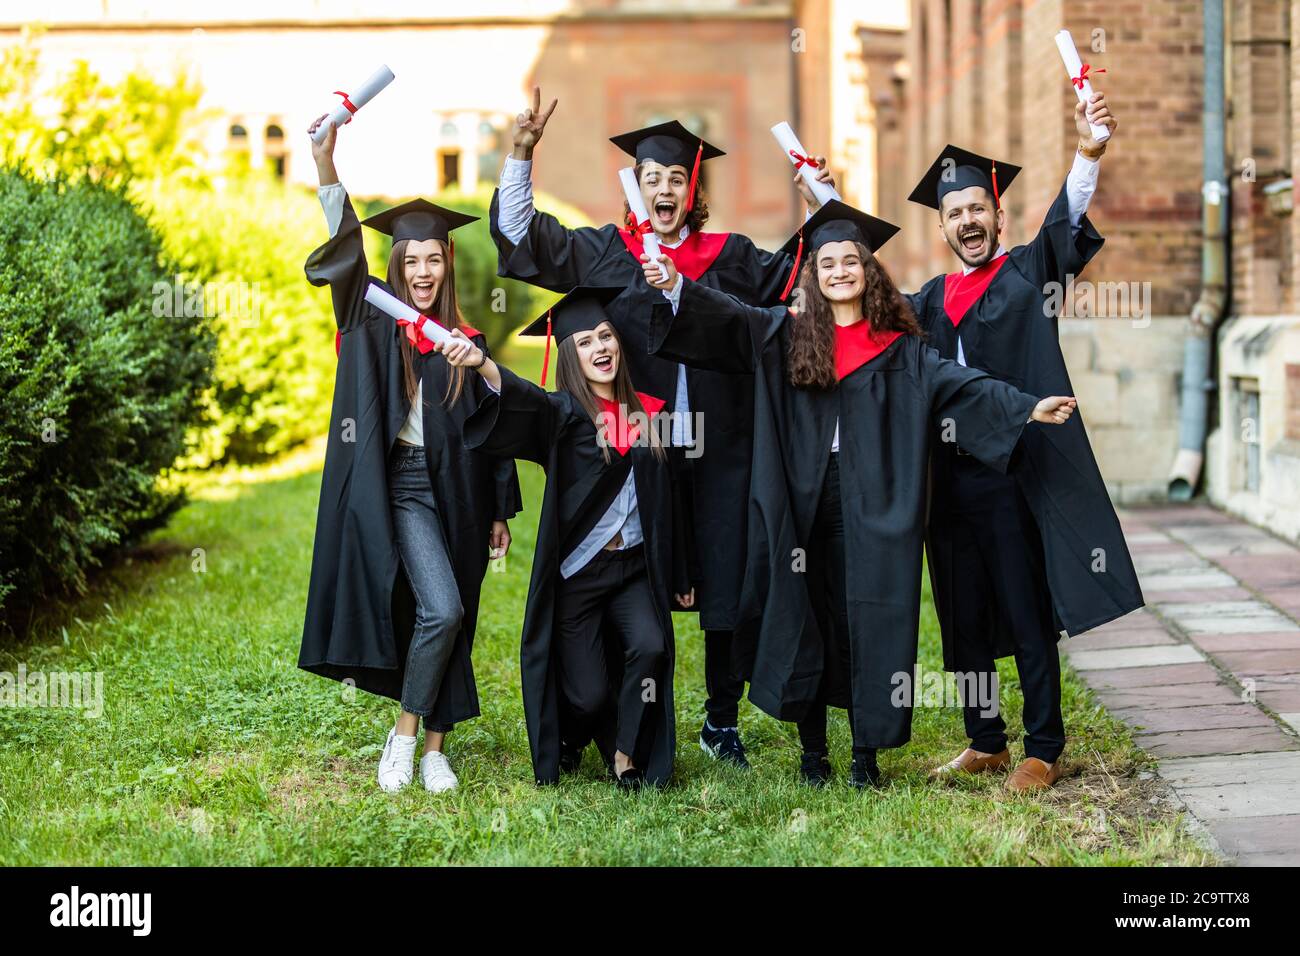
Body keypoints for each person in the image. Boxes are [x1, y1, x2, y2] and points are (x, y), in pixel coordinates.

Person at [641, 201, 1078, 788]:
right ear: (814, 277)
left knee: (868, 619)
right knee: (809, 617)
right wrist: (675, 285)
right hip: (802, 502)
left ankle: (865, 757)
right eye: (828, 263)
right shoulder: (788, 335)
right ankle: (813, 755)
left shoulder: (898, 349)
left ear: (868, 273)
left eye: (852, 261)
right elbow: (731, 318)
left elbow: (959, 383)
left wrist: (1026, 407)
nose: (840, 270)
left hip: (870, 504)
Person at [490, 88, 836, 769]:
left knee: (726, 583)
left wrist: (822, 198)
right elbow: (528, 239)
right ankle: (623, 714)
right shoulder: (610, 253)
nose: (665, 189)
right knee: (638, 576)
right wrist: (521, 153)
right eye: (653, 178)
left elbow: (811, 272)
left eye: (677, 177)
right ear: (637, 188)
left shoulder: (731, 256)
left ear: (693, 186)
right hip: (639, 453)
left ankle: (720, 719)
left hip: (723, 446)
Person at [903, 92, 1141, 792]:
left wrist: (1088, 151)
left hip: (1011, 476)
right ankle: (985, 740)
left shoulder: (1028, 275)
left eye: (978, 208)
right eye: (955, 213)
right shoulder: (925, 300)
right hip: (946, 481)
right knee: (962, 611)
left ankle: (1043, 745)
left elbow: (1065, 222)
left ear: (998, 214)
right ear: (943, 225)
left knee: (1025, 605)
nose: (968, 220)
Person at [297, 114, 521, 794]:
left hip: (461, 489)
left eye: (433, 259)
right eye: (410, 260)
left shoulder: (465, 338)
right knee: (441, 608)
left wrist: (501, 507)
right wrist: (325, 162)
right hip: (400, 484)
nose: (422, 270)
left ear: (448, 262)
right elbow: (342, 246)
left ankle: (435, 749)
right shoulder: (372, 320)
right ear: (396, 264)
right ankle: (401, 738)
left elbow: (493, 423)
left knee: (457, 612)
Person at [444, 286, 693, 790]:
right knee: (588, 696)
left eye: (605, 336)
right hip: (580, 574)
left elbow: (672, 503)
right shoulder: (564, 415)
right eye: (583, 342)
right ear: (569, 357)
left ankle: (624, 757)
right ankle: (576, 734)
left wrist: (682, 573)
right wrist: (484, 366)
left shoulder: (648, 413)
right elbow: (525, 400)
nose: (599, 347)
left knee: (650, 647)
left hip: (633, 570)